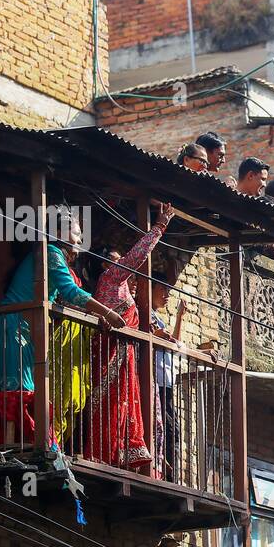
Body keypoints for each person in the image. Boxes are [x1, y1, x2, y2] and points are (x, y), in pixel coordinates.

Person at [0, 207, 126, 447]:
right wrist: (107, 312)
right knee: (18, 392)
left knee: (17, 390)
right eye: (76, 233)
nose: (78, 239)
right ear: (58, 232)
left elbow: (66, 298)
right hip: (12, 328)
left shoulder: (47, 254)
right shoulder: (51, 252)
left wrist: (94, 314)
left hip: (15, 328)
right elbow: (71, 292)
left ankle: (8, 442)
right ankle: (9, 444)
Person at [83, 202, 174, 472]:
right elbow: (136, 256)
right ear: (104, 263)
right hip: (110, 352)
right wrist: (159, 226)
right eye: (116, 258)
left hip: (125, 356)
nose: (122, 262)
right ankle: (102, 455)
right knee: (109, 404)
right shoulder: (110, 278)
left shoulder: (123, 288)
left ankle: (119, 455)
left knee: (121, 405)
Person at [150, 271, 185, 482]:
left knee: (173, 430)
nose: (167, 295)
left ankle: (170, 474)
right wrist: (156, 336)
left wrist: (179, 317)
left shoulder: (159, 319)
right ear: (151, 288)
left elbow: (174, 345)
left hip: (166, 382)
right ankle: (166, 475)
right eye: (164, 289)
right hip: (155, 381)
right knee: (167, 429)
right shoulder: (144, 313)